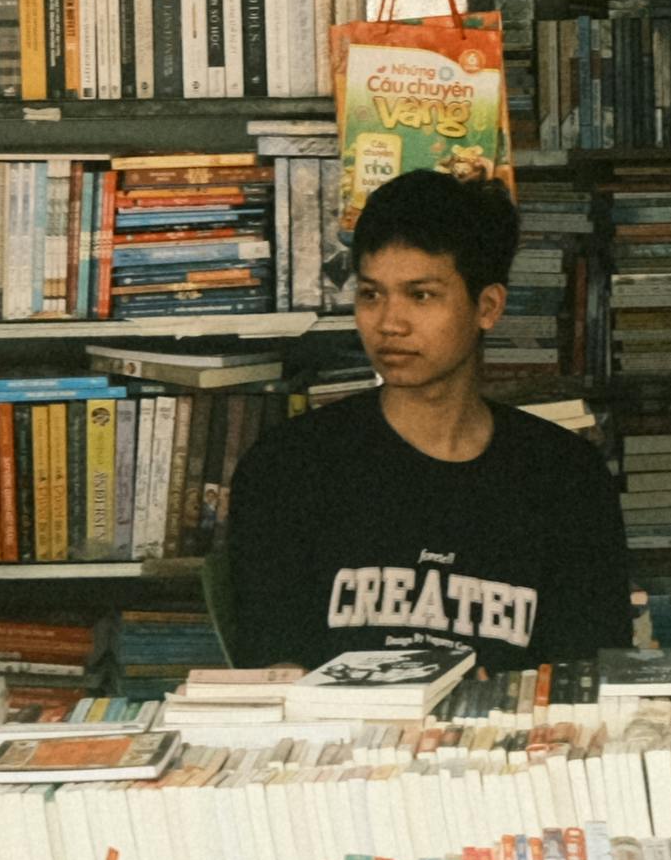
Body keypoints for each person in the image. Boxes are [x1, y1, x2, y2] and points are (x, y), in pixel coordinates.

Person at [216, 171, 629, 674]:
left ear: (488, 306)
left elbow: (585, 676)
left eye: (422, 295)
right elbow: (272, 668)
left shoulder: (567, 479)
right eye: (371, 295)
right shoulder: (288, 469)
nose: (390, 323)